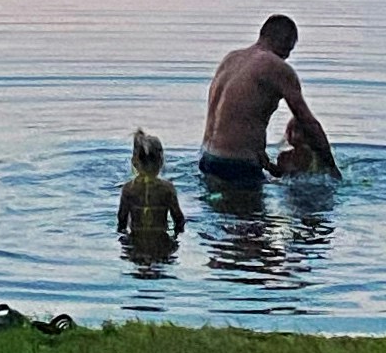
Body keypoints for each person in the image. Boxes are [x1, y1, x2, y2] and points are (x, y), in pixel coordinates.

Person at [200, 13, 337, 190]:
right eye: (290, 49)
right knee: (256, 217)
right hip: (238, 165)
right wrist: (331, 167)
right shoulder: (276, 67)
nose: (287, 56)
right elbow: (307, 121)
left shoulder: (231, 59)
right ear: (288, 41)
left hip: (207, 159)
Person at [116, 127, 187, 258]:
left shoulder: (128, 189)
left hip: (135, 247)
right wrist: (175, 240)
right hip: (163, 247)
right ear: (161, 162)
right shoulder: (167, 189)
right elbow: (179, 220)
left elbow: (121, 222)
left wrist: (125, 244)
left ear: (134, 162)